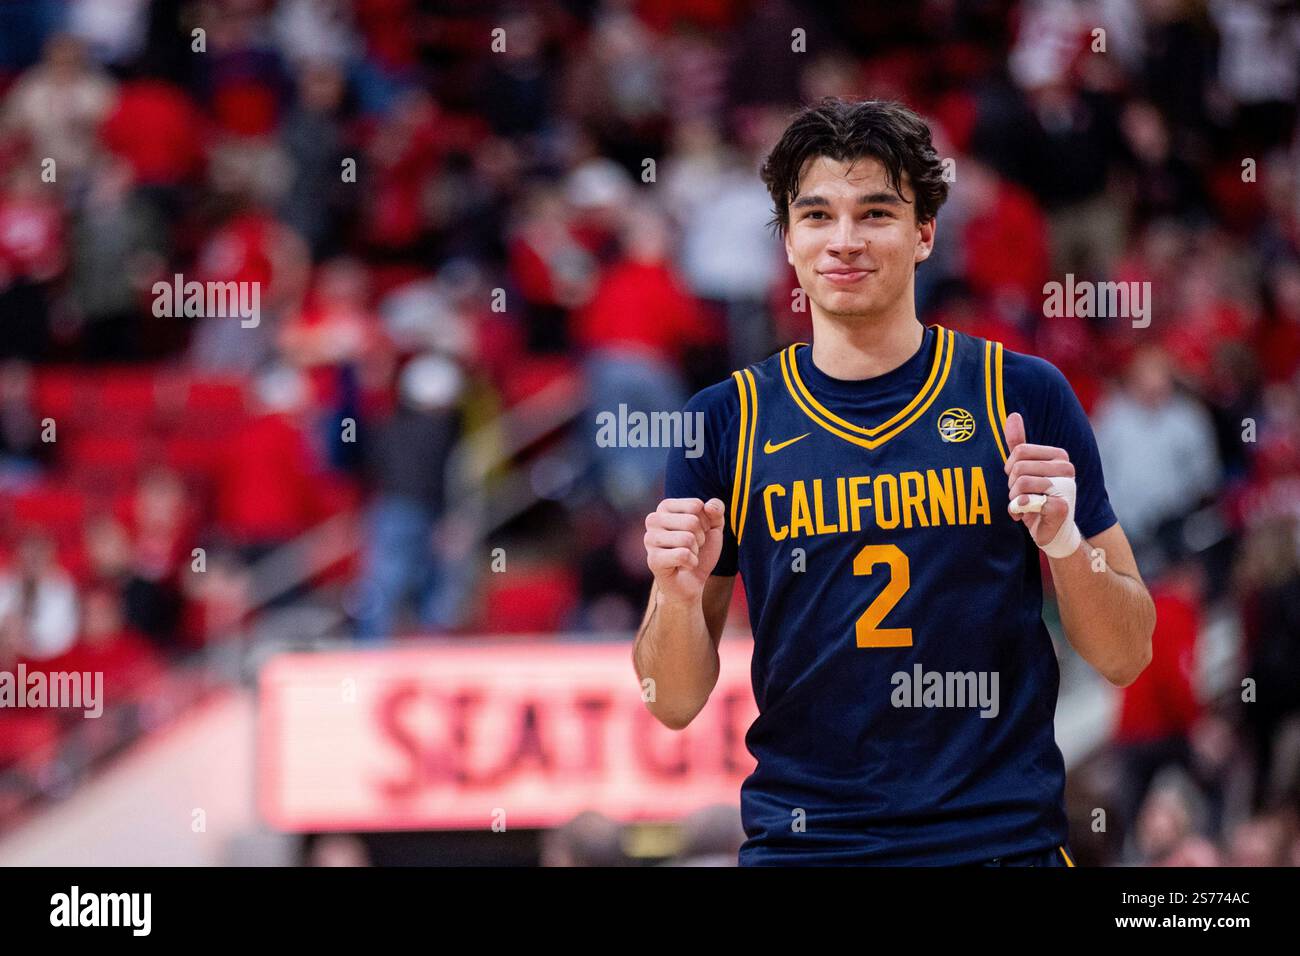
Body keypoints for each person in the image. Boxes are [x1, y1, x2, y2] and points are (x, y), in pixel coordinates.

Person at [633, 98, 1155, 866]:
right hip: (808, 845)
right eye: (817, 216)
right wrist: (675, 596)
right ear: (787, 240)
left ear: (924, 234)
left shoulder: (1022, 394)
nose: (844, 240)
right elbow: (671, 702)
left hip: (998, 844)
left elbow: (1125, 655)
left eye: (876, 213)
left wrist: (1068, 542)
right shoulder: (723, 422)